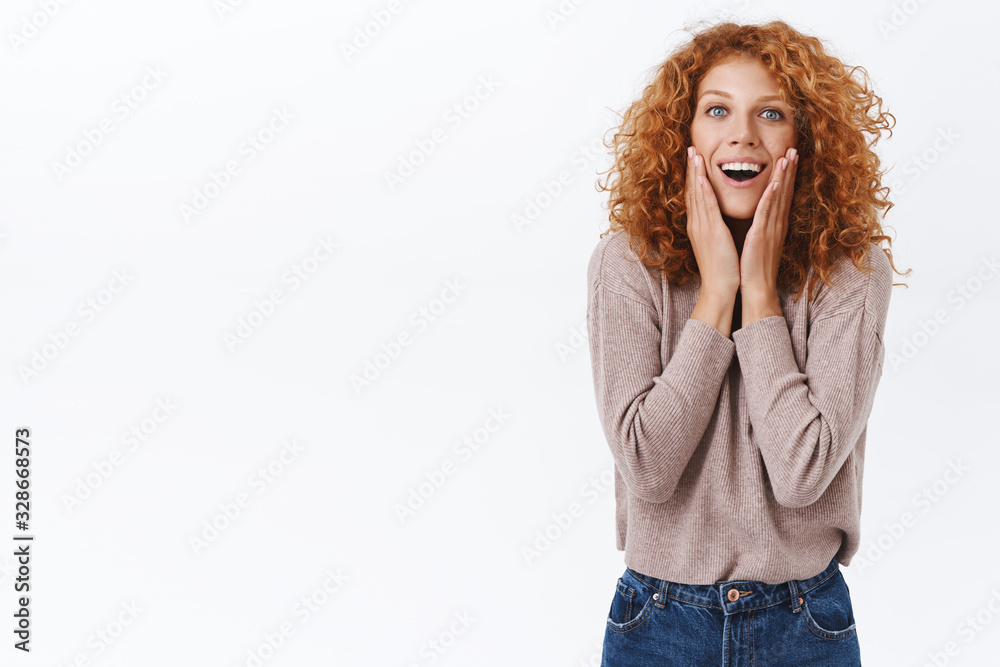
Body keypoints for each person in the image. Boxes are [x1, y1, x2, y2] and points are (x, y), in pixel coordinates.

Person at [586, 19, 910, 665]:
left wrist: (757, 295)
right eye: (717, 110)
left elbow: (803, 472)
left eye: (771, 112)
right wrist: (715, 297)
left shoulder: (851, 269)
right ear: (683, 134)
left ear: (807, 137)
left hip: (804, 623)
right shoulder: (626, 263)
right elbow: (647, 466)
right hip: (658, 623)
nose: (742, 134)